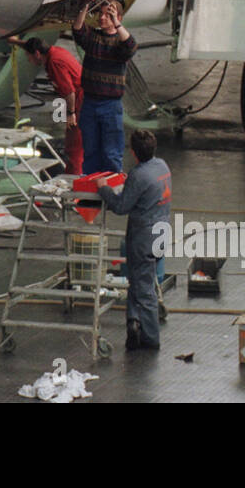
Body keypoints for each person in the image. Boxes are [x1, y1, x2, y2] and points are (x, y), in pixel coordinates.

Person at [98, 130, 172, 351]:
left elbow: (121, 206)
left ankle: (150, 338)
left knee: (143, 287)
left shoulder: (138, 175)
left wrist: (104, 189)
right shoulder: (161, 166)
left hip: (143, 237)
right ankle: (133, 323)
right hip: (160, 231)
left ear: (133, 151)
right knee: (138, 280)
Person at [71, 0, 138, 173]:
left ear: (118, 18)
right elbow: (77, 30)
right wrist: (85, 6)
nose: (102, 18)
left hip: (111, 105)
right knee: (91, 151)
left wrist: (116, 22)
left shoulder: (120, 43)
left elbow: (131, 46)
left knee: (111, 153)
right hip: (90, 102)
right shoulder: (93, 37)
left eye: (107, 15)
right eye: (101, 14)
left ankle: (112, 194)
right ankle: (90, 196)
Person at [7, 35, 83, 175]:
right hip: (82, 99)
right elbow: (32, 45)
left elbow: (70, 92)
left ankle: (75, 183)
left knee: (74, 148)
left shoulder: (54, 62)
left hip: (80, 102)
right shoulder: (54, 51)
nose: (29, 60)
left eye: (28, 56)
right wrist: (16, 42)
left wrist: (71, 114)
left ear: (37, 54)